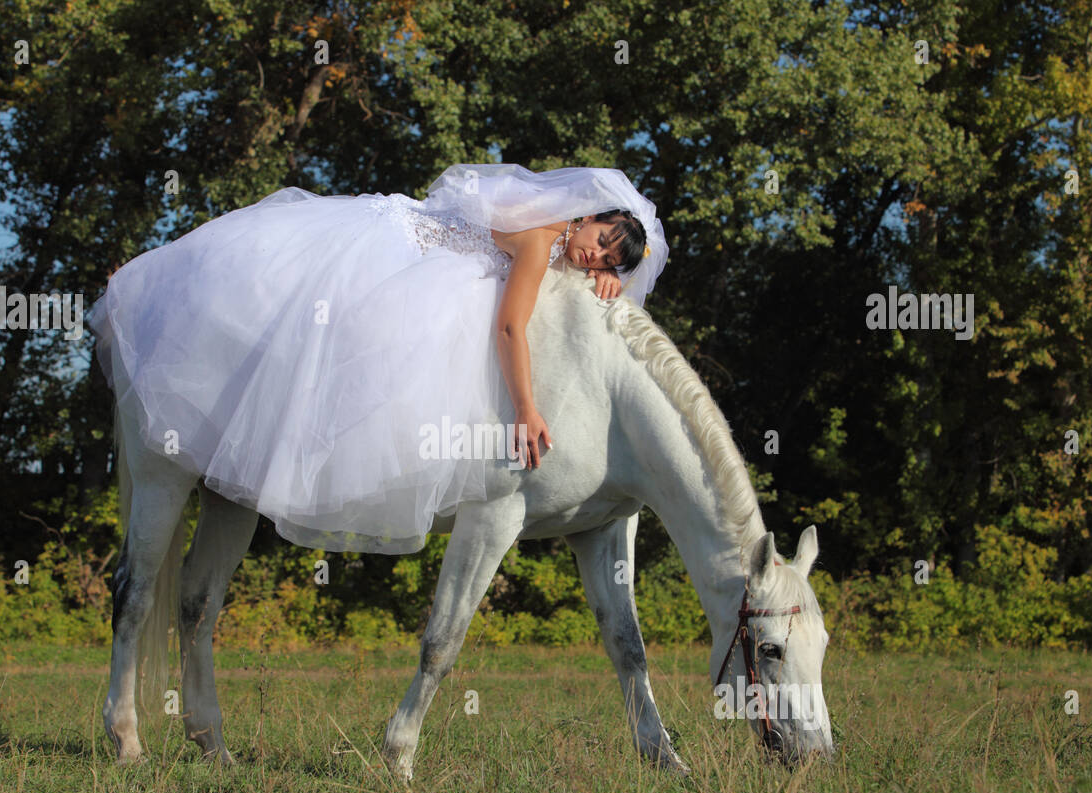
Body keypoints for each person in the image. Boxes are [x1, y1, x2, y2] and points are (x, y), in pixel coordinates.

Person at [89, 162, 669, 553]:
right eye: (601, 240)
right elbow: (512, 325)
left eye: (607, 262)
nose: (594, 256)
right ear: (589, 214)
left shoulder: (558, 241)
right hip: (395, 252)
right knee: (326, 330)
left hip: (419, 256)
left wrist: (605, 281)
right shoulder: (544, 236)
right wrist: (526, 407)